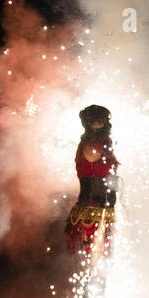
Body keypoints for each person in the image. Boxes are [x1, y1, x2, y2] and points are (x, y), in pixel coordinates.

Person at [64, 104, 119, 260]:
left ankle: (100, 262)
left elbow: (112, 169)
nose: (96, 124)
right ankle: (87, 260)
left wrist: (113, 191)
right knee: (84, 236)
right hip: (87, 194)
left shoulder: (107, 142)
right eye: (93, 121)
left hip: (104, 195)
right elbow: (82, 166)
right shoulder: (85, 143)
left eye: (99, 121)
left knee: (103, 237)